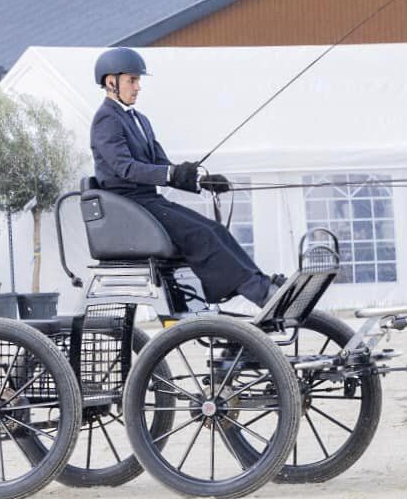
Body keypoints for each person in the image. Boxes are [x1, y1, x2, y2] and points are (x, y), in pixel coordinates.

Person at [88, 47, 280, 306]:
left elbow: (161, 164)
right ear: (111, 82)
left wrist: (199, 180)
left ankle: (262, 282)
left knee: (214, 229)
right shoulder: (106, 120)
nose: (138, 87)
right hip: (129, 206)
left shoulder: (140, 120)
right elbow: (126, 168)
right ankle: (259, 292)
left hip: (149, 202)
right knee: (200, 234)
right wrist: (170, 173)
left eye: (138, 81)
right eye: (132, 80)